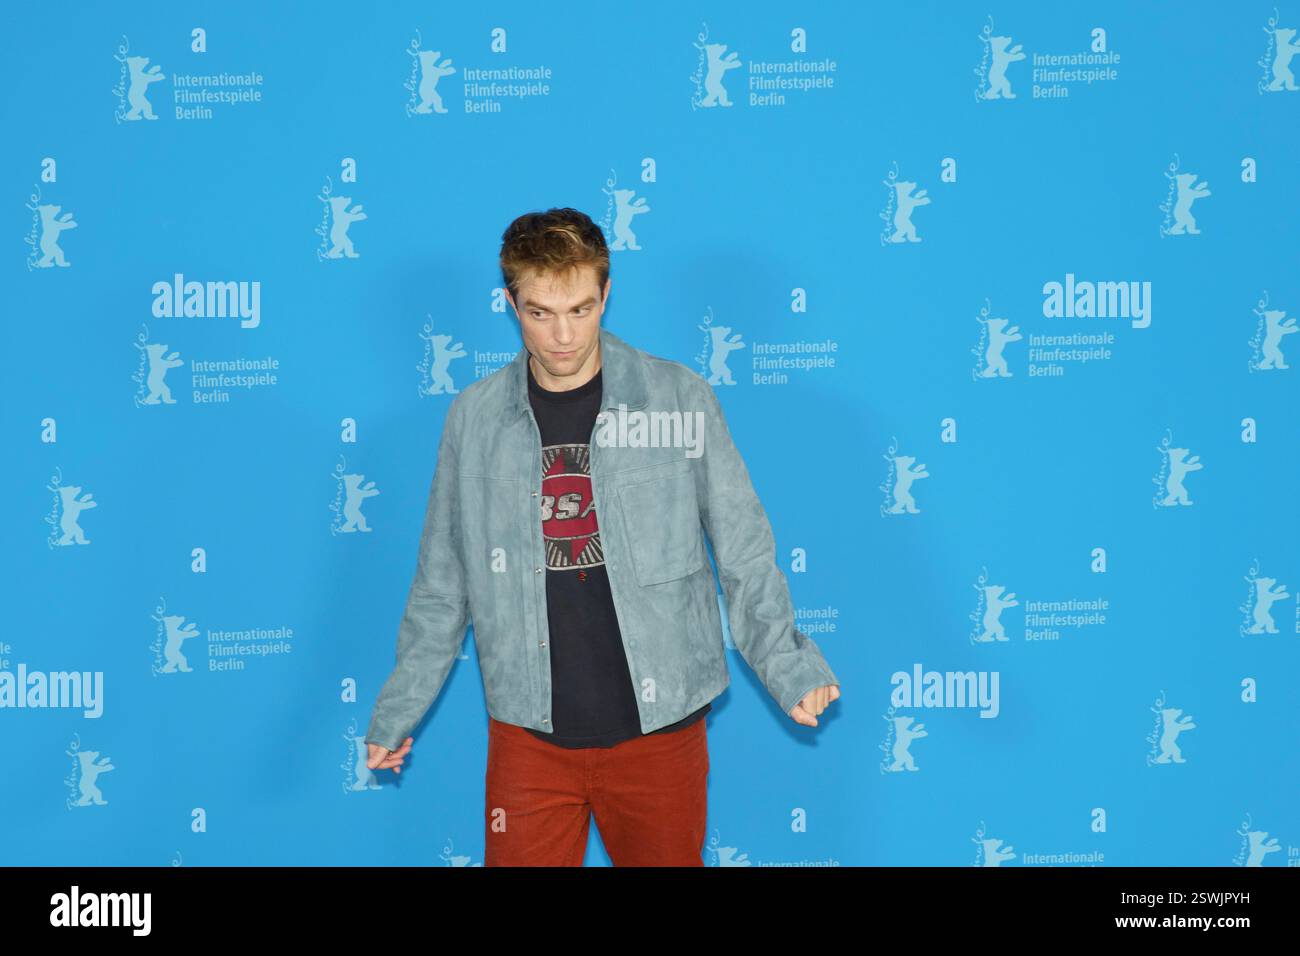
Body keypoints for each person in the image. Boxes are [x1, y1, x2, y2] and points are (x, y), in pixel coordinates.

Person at [364, 207, 841, 865]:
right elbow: (443, 582)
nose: (562, 335)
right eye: (539, 313)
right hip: (528, 734)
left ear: (606, 294)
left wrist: (788, 665)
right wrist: (397, 713)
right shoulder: (474, 420)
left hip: (660, 731)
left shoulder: (677, 399)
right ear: (510, 301)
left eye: (581, 310)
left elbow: (743, 546)